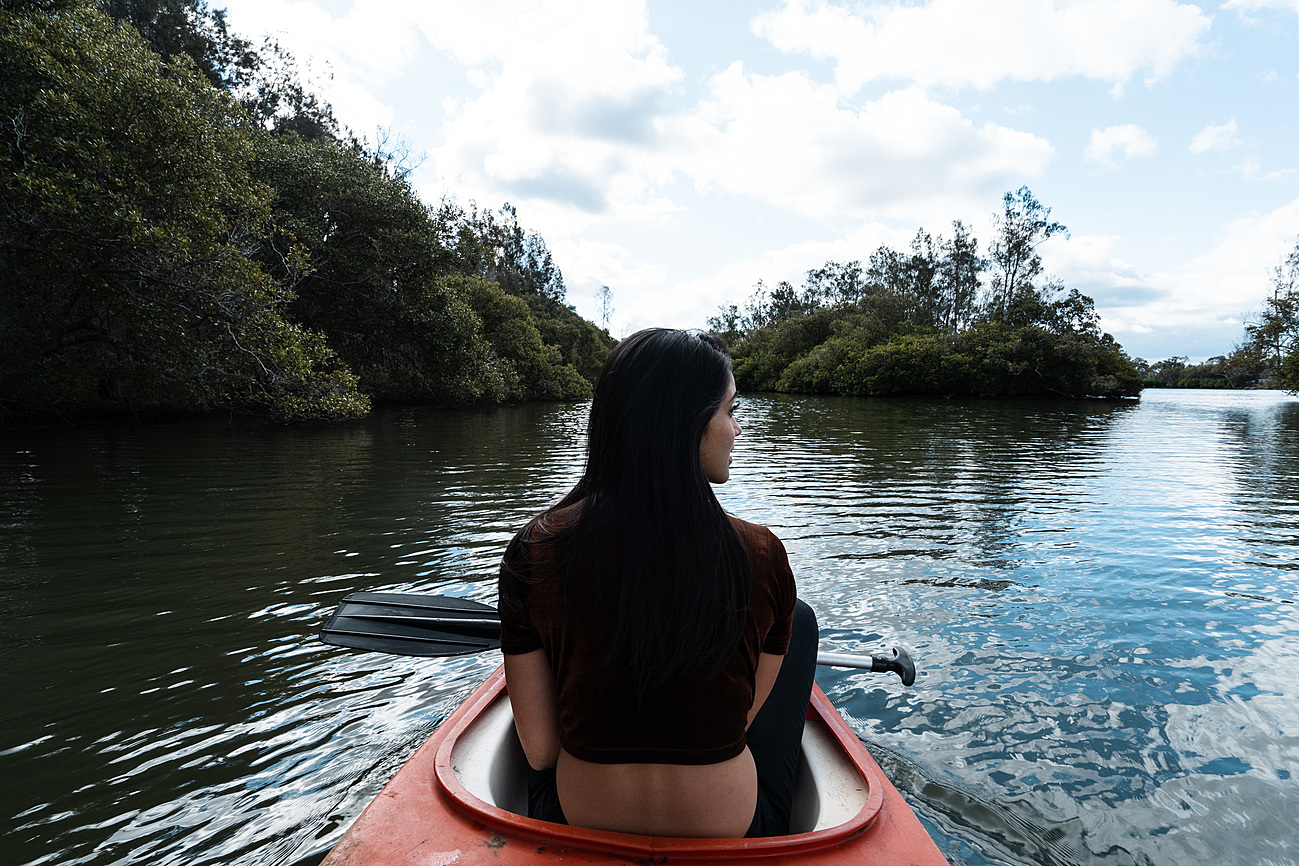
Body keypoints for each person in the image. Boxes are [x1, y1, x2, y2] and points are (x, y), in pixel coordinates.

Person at [498, 328, 818, 838]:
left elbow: (541, 752)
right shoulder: (762, 554)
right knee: (797, 620)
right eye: (730, 411)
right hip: (733, 831)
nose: (737, 430)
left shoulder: (535, 549)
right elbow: (737, 723)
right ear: (689, 424)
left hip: (579, 823)